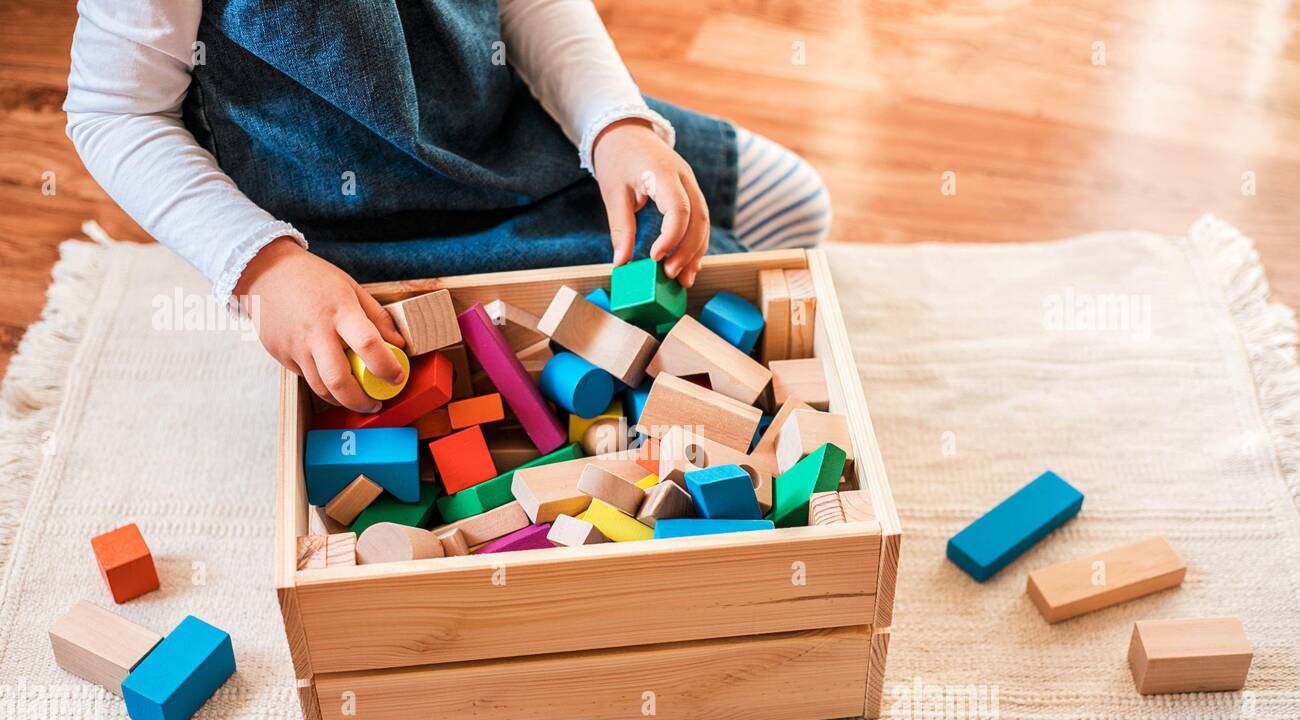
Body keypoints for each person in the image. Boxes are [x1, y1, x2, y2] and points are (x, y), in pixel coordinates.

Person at [65, 0, 831, 412]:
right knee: (702, 307)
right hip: (353, 233)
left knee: (799, 209)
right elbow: (114, 113)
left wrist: (616, 130)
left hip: (508, 138)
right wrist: (263, 269)